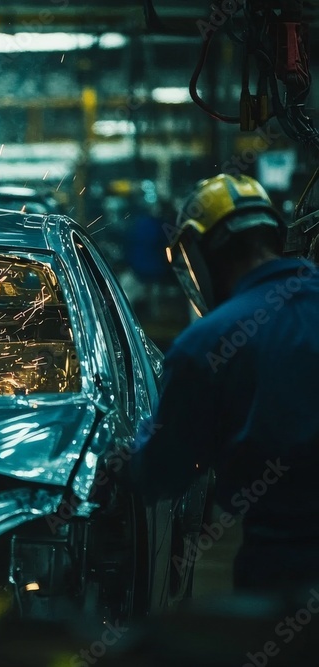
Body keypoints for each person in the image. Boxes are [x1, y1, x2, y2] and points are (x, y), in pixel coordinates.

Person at [127, 173, 319, 590]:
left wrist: (122, 457)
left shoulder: (208, 343)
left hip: (285, 564)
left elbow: (162, 471)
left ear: (199, 253)